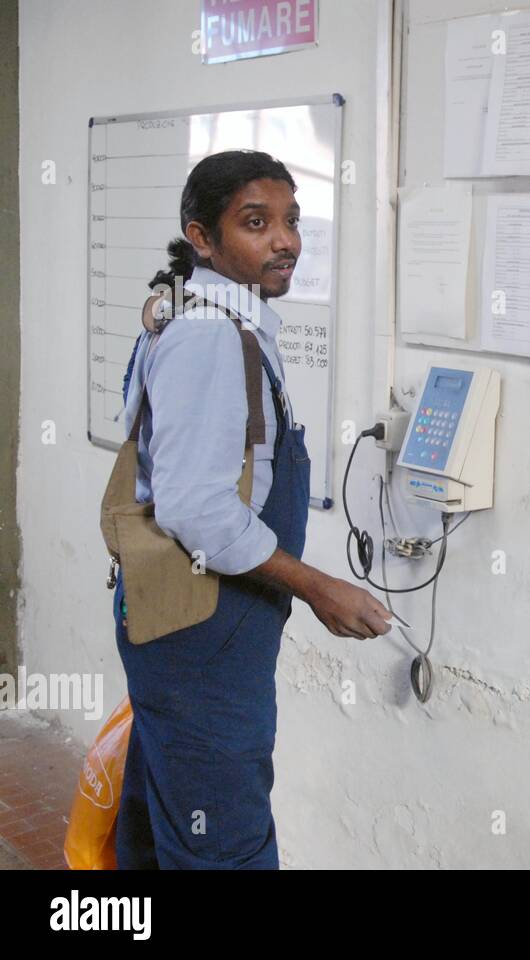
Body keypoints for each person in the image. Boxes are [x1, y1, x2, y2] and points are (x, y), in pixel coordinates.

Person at [112, 149, 392, 869]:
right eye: (256, 222)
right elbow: (198, 509)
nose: (285, 240)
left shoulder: (219, 319)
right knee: (222, 843)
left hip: (197, 625)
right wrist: (319, 585)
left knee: (169, 821)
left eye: (291, 221)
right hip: (202, 631)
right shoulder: (209, 336)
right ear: (202, 237)